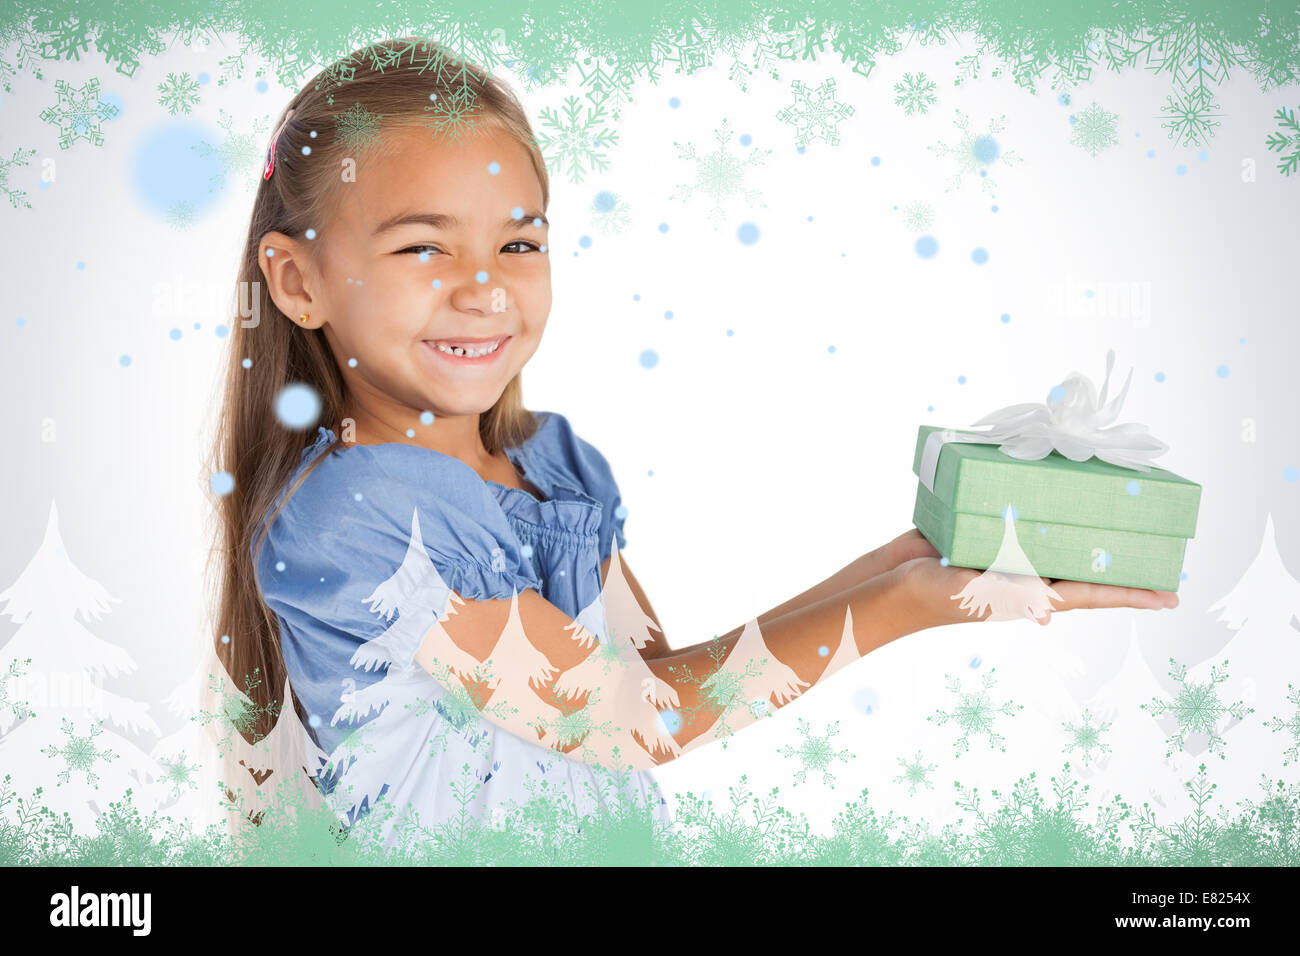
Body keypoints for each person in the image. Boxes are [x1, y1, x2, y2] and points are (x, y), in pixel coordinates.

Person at [207, 36, 1178, 845]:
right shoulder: (353, 515)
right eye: (422, 245)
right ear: (298, 282)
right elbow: (634, 720)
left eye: (518, 241)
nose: (484, 285)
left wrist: (908, 556)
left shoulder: (546, 464)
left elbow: (663, 677)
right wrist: (905, 607)